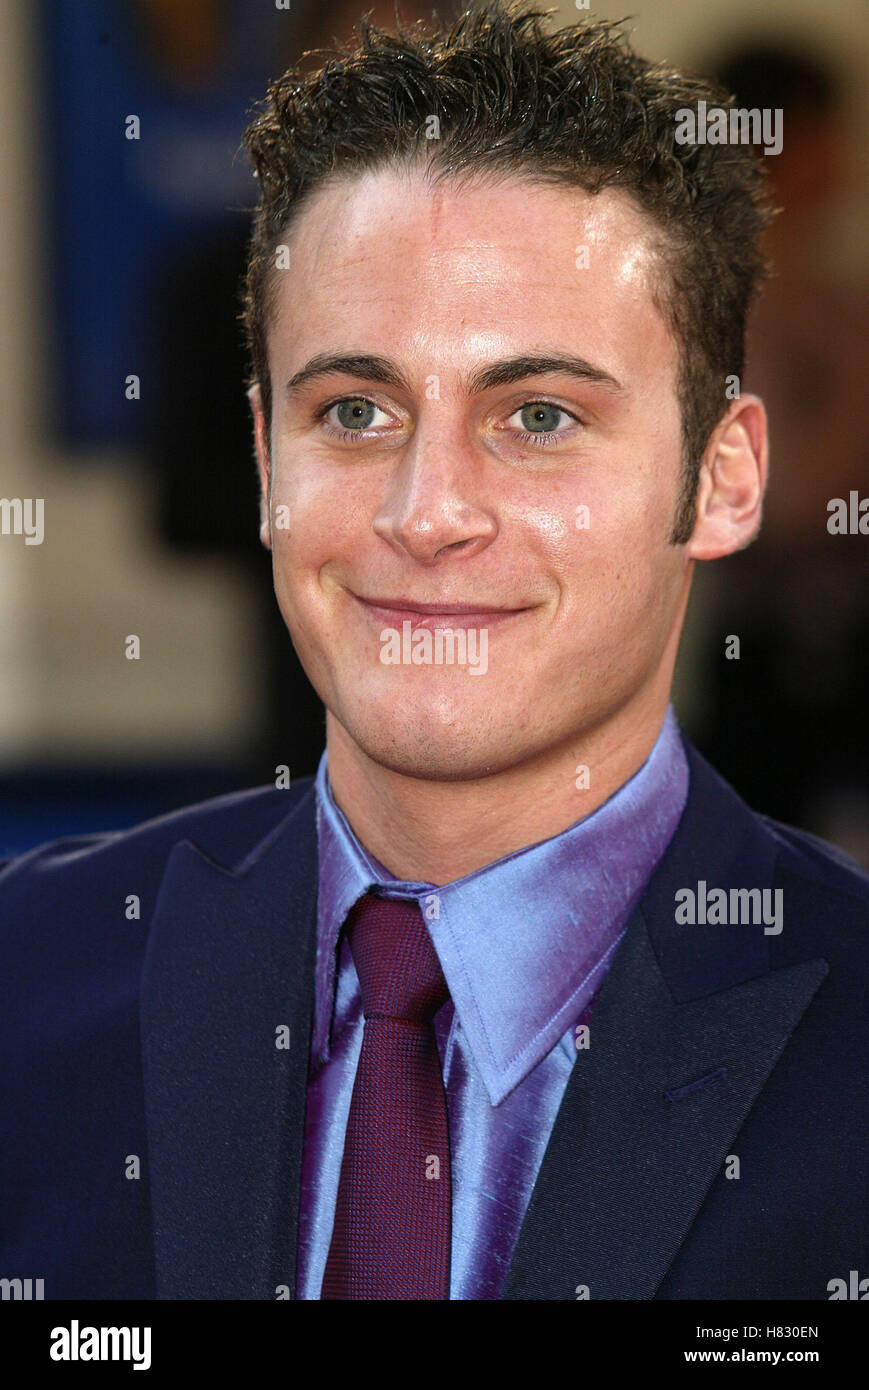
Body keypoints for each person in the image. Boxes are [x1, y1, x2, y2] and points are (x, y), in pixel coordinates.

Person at [1, 2, 865, 1301]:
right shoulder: (29, 978)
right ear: (264, 462)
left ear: (721, 475)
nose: (427, 511)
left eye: (536, 412)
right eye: (354, 408)